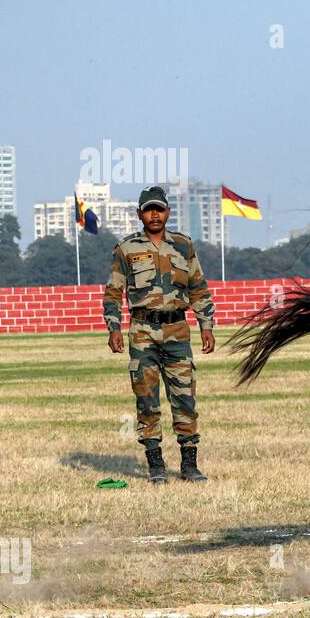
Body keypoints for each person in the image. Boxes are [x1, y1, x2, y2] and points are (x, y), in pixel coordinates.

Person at [103, 186, 216, 483]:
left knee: (185, 399)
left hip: (178, 330)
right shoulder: (126, 249)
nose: (155, 215)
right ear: (139, 213)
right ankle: (155, 466)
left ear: (168, 212)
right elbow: (113, 293)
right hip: (142, 332)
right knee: (147, 400)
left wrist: (207, 326)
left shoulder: (183, 246)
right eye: (149, 209)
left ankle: (189, 466)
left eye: (160, 209)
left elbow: (198, 289)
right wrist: (113, 328)